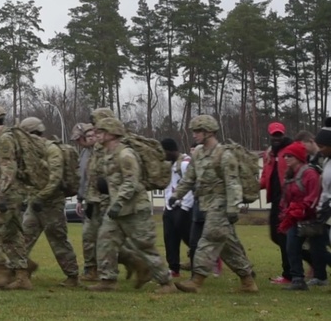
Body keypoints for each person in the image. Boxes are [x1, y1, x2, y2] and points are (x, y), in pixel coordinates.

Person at [87, 117, 177, 293]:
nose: (97, 135)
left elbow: (131, 182)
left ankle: (167, 283)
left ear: (112, 134)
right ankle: (108, 280)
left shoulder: (125, 155)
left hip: (135, 209)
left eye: (100, 132)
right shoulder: (108, 154)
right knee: (105, 241)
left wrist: (118, 203)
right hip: (117, 211)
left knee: (145, 247)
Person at [171, 115, 258, 293]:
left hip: (222, 205)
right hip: (206, 204)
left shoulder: (224, 156)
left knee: (209, 239)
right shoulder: (199, 155)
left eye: (198, 131)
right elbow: (189, 179)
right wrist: (176, 195)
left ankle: (196, 281)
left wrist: (233, 209)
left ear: (208, 132)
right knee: (227, 246)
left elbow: (232, 184)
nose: (194, 135)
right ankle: (248, 281)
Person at [20, 117, 80, 287]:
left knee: (58, 239)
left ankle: (72, 276)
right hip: (35, 203)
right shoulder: (32, 152)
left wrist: (41, 197)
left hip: (52, 203)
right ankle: (20, 272)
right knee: (24, 237)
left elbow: (55, 179)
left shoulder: (52, 150)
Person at [278, 141, 322, 291]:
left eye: (290, 155)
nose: (286, 158)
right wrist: (285, 210)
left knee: (320, 251)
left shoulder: (309, 173)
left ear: (298, 157)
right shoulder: (290, 174)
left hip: (311, 218)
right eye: (285, 156)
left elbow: (314, 196)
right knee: (291, 247)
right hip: (295, 218)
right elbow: (286, 197)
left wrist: (301, 209)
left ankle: (317, 276)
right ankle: (298, 279)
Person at [260, 121, 292, 284]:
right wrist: (252, 188)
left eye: (279, 134)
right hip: (275, 200)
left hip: (288, 200)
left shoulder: (291, 151)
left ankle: (289, 274)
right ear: (270, 136)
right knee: (276, 236)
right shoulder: (270, 154)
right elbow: (266, 176)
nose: (277, 137)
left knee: (284, 236)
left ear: (283, 134)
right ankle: (312, 261)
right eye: (274, 135)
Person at [162, 138, 193, 278]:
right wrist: (167, 204)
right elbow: (169, 186)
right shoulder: (168, 165)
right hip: (170, 207)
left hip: (185, 207)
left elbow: (190, 186)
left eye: (164, 152)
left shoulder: (185, 164)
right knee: (170, 237)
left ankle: (201, 262)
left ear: (170, 151)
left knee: (189, 238)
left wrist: (185, 207)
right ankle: (174, 268)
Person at [72, 123, 99, 280]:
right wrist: (80, 199)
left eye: (89, 137)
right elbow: (82, 179)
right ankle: (91, 270)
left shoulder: (99, 153)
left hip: (99, 201)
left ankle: (102, 270)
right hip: (88, 200)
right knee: (88, 237)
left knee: (103, 238)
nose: (80, 142)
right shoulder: (83, 154)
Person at [312, 126, 331, 286]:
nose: (320, 150)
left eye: (323, 146)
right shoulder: (326, 161)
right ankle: (320, 276)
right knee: (317, 244)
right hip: (325, 210)